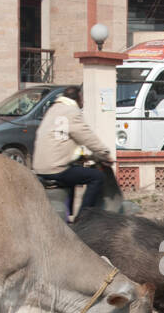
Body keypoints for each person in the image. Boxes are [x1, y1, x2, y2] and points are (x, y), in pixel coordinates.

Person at [33, 86, 113, 219]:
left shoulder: (53, 110)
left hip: (40, 167)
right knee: (96, 177)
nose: (83, 102)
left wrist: (88, 155)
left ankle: (69, 214)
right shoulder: (71, 112)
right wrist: (104, 153)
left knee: (74, 174)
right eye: (83, 99)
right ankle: (84, 218)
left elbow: (65, 140)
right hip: (55, 168)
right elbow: (86, 136)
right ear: (78, 97)